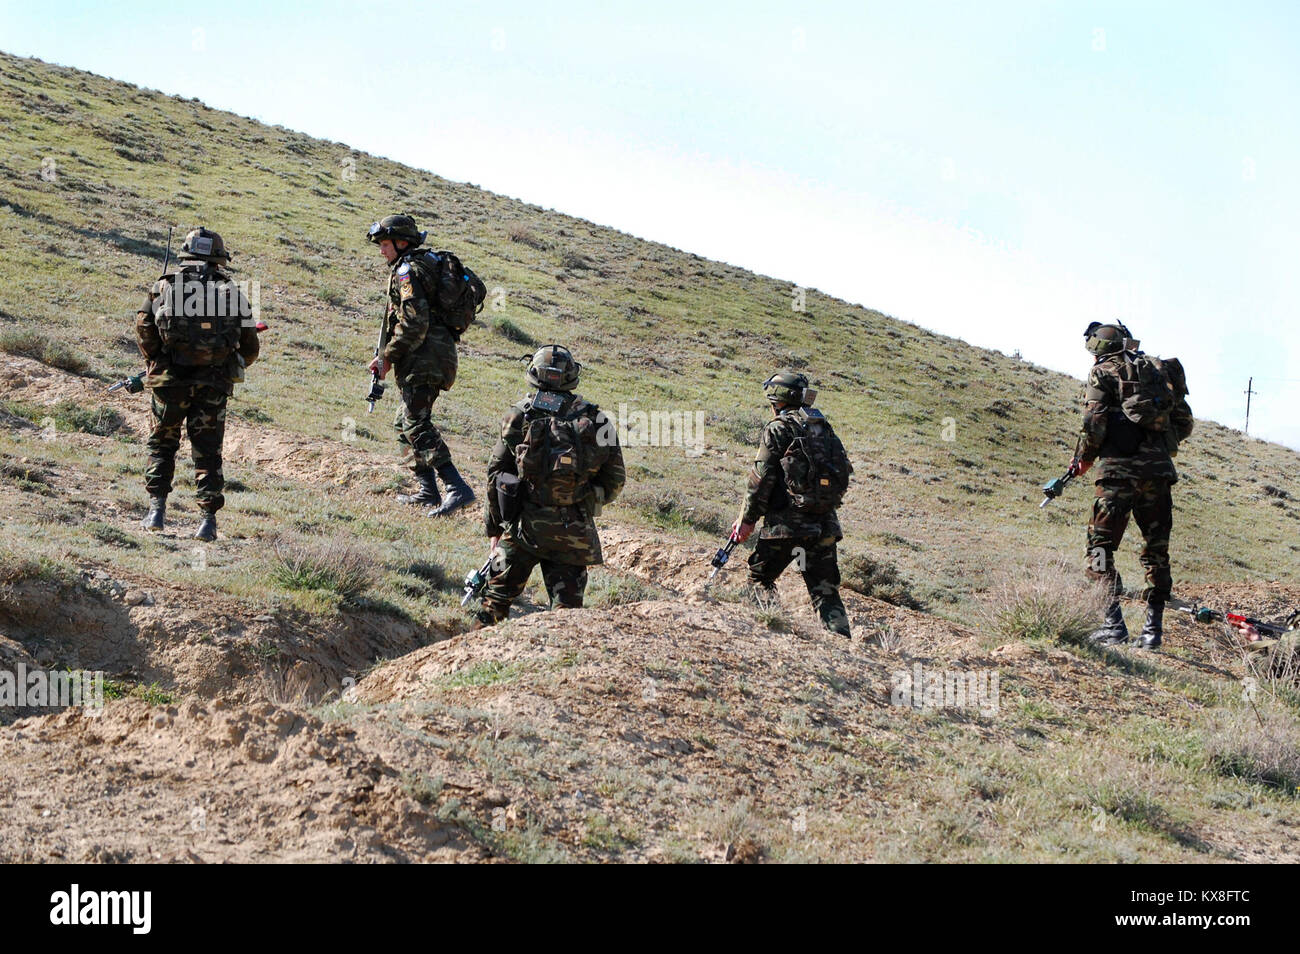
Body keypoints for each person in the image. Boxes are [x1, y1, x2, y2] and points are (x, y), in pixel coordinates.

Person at [472, 345, 625, 628]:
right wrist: (584, 501)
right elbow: (614, 481)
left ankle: (468, 662)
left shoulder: (518, 415)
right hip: (574, 533)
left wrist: (494, 529)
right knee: (567, 618)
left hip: (521, 530)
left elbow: (496, 474)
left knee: (494, 601)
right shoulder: (598, 420)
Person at [135, 227, 259, 541]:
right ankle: (207, 522)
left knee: (162, 445)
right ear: (219, 257)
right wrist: (227, 364)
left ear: (185, 254)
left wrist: (157, 363)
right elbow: (250, 347)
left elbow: (143, 326)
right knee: (207, 453)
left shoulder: (164, 286)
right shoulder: (233, 292)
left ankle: (156, 512)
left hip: (169, 384)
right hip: (213, 386)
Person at [1076, 322, 1193, 649]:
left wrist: (1084, 459)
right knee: (1156, 552)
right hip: (1158, 474)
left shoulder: (1102, 373)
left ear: (1096, 347)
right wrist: (1154, 448)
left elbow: (1093, 423)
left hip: (1117, 474)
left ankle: (1113, 625)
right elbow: (1184, 423)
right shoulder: (1156, 373)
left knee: (1099, 548)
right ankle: (1152, 632)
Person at [366, 214, 475, 517]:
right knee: (405, 422)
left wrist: (388, 356)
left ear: (402, 243)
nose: (381, 250)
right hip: (430, 354)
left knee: (416, 421)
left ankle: (457, 488)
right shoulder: (424, 265)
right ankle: (428, 491)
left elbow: (414, 322)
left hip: (425, 355)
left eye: (385, 244)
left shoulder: (407, 271)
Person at [729, 371, 853, 637]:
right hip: (824, 525)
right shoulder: (822, 427)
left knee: (759, 579)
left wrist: (747, 520)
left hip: (786, 527)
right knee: (825, 592)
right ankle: (844, 647)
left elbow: (761, 480)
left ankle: (768, 634)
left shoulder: (778, 428)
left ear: (776, 399)